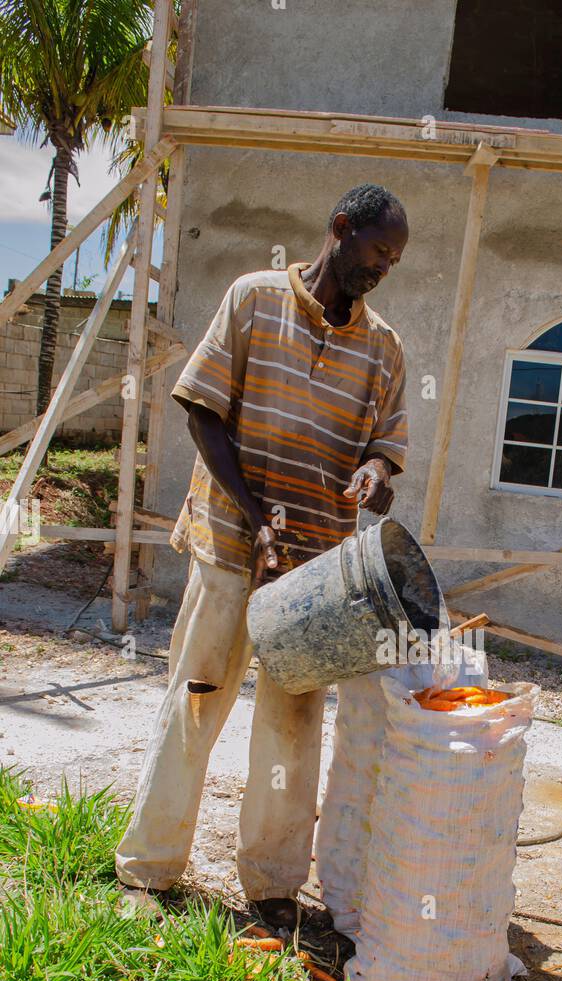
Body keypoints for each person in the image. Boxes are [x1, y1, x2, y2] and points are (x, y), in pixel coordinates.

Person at [115, 183, 409, 937]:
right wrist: (256, 519)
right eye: (377, 252)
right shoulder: (252, 298)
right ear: (339, 228)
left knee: (291, 727)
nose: (383, 269)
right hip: (226, 546)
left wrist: (375, 474)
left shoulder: (384, 346)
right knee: (196, 702)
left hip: (315, 575)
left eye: (393, 260)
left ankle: (273, 887)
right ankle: (149, 869)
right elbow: (202, 411)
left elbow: (387, 443)